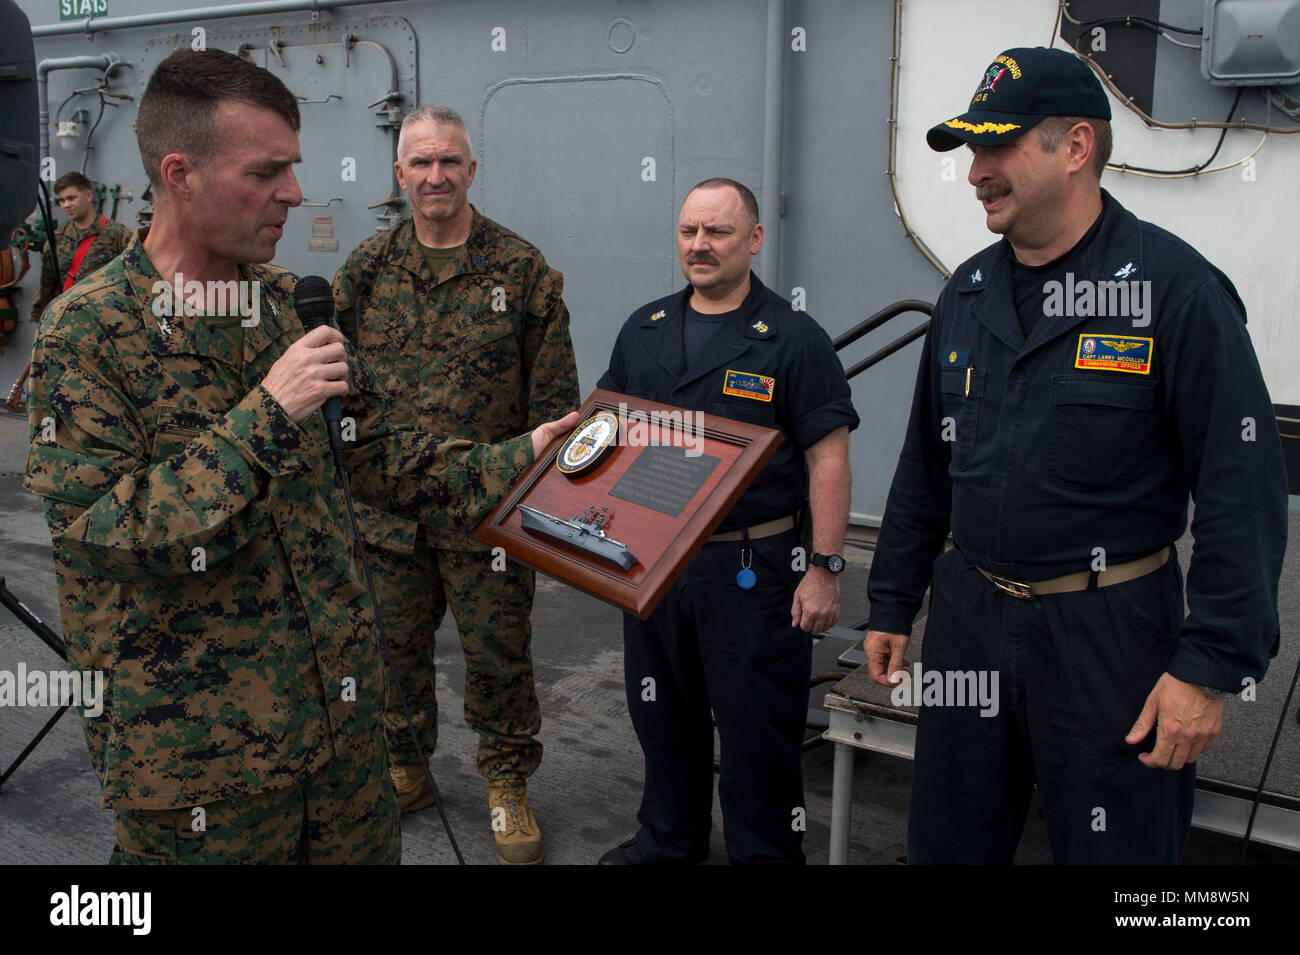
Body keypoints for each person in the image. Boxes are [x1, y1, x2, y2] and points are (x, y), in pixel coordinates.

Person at [23, 49, 575, 865]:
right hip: (208, 768)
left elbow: (377, 452)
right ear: (180, 174)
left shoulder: (288, 304)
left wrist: (511, 459)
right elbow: (107, 533)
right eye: (268, 170)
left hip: (344, 741)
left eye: (294, 166)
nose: (294, 191)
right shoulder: (87, 332)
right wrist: (265, 417)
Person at [864, 47, 1287, 864]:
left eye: (996, 147)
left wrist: (1208, 668)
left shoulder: (1176, 291)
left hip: (1110, 636)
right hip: (970, 621)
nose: (977, 170)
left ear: (1076, 146)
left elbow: (1243, 493)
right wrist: (891, 601)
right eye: (971, 151)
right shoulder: (968, 293)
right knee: (948, 845)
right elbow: (925, 466)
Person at [332, 106, 578, 865]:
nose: (435, 175)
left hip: (489, 511)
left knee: (499, 653)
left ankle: (507, 780)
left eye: (450, 161)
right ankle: (405, 764)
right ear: (399, 174)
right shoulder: (365, 273)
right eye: (420, 162)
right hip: (390, 514)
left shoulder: (523, 270)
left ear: (472, 169)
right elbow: (338, 394)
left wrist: (539, 506)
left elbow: (553, 404)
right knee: (393, 650)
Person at [595, 178, 859, 864]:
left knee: (757, 735)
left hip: (751, 567)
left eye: (717, 232)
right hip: (653, 561)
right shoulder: (644, 328)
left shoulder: (794, 339)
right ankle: (668, 844)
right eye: (689, 232)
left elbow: (829, 460)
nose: (700, 245)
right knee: (661, 719)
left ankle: (765, 853)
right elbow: (609, 433)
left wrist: (826, 570)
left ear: (754, 240)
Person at [29, 171, 130, 324]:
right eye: (61, 200)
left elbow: (132, 276)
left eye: (71, 198)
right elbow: (46, 284)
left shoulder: (117, 234)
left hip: (107, 323)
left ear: (88, 196)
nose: (66, 205)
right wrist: (38, 318)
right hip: (70, 323)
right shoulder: (57, 239)